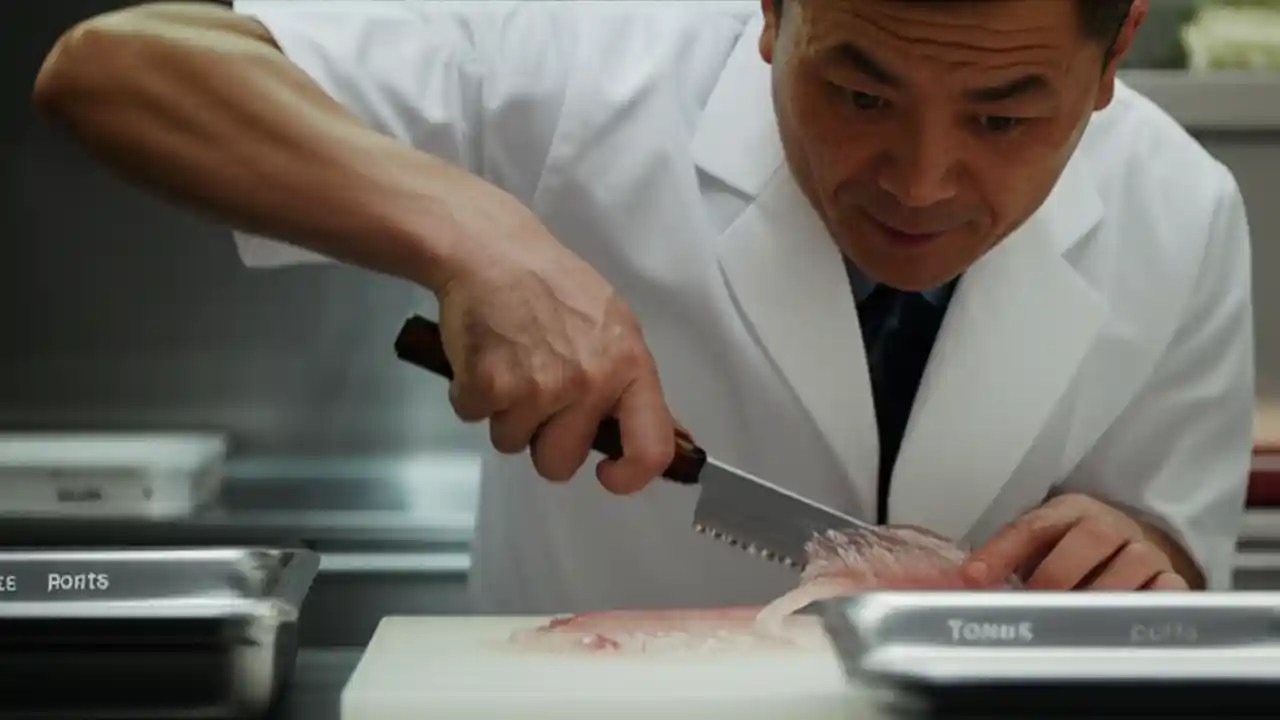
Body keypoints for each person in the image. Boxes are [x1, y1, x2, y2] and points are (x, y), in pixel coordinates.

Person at [32, 0, 1255, 613]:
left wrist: (1136, 561)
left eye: (1001, 116)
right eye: (859, 92)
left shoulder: (1181, 212)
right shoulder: (584, 68)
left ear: (1112, 57)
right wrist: (476, 235)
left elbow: (1165, 561)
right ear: (774, 12)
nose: (921, 182)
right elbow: (118, 68)